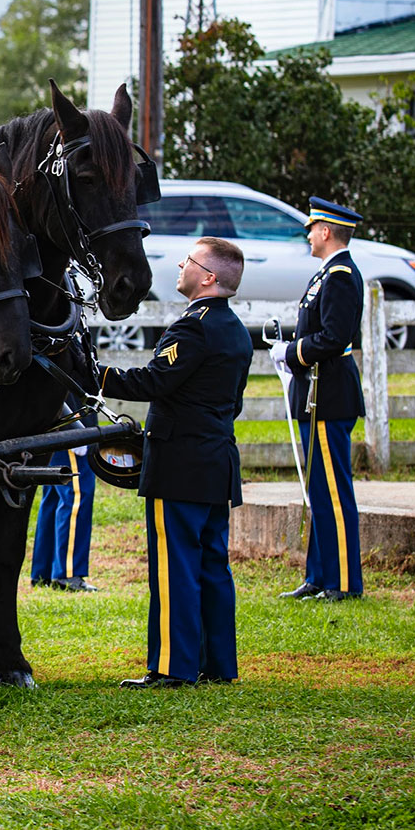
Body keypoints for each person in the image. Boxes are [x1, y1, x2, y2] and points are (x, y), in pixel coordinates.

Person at [94, 237, 253, 689]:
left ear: (208, 277)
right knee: (211, 566)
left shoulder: (194, 327)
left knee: (175, 567)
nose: (181, 265)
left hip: (180, 463)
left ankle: (172, 667)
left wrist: (94, 373)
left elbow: (153, 382)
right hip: (215, 461)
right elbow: (232, 402)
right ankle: (218, 664)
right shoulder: (235, 330)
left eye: (190, 260)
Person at [271, 197, 366, 603]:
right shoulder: (325, 274)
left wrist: (291, 353)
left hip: (328, 396)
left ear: (326, 231)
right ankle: (319, 575)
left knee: (333, 492)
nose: (308, 234)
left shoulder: (341, 275)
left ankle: (342, 581)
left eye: (312, 228)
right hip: (314, 394)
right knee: (318, 493)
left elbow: (334, 338)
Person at [30, 422, 99, 592]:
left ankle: (43, 572)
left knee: (53, 499)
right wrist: (74, 429)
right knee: (77, 495)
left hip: (61, 426)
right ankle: (68, 573)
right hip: (71, 427)